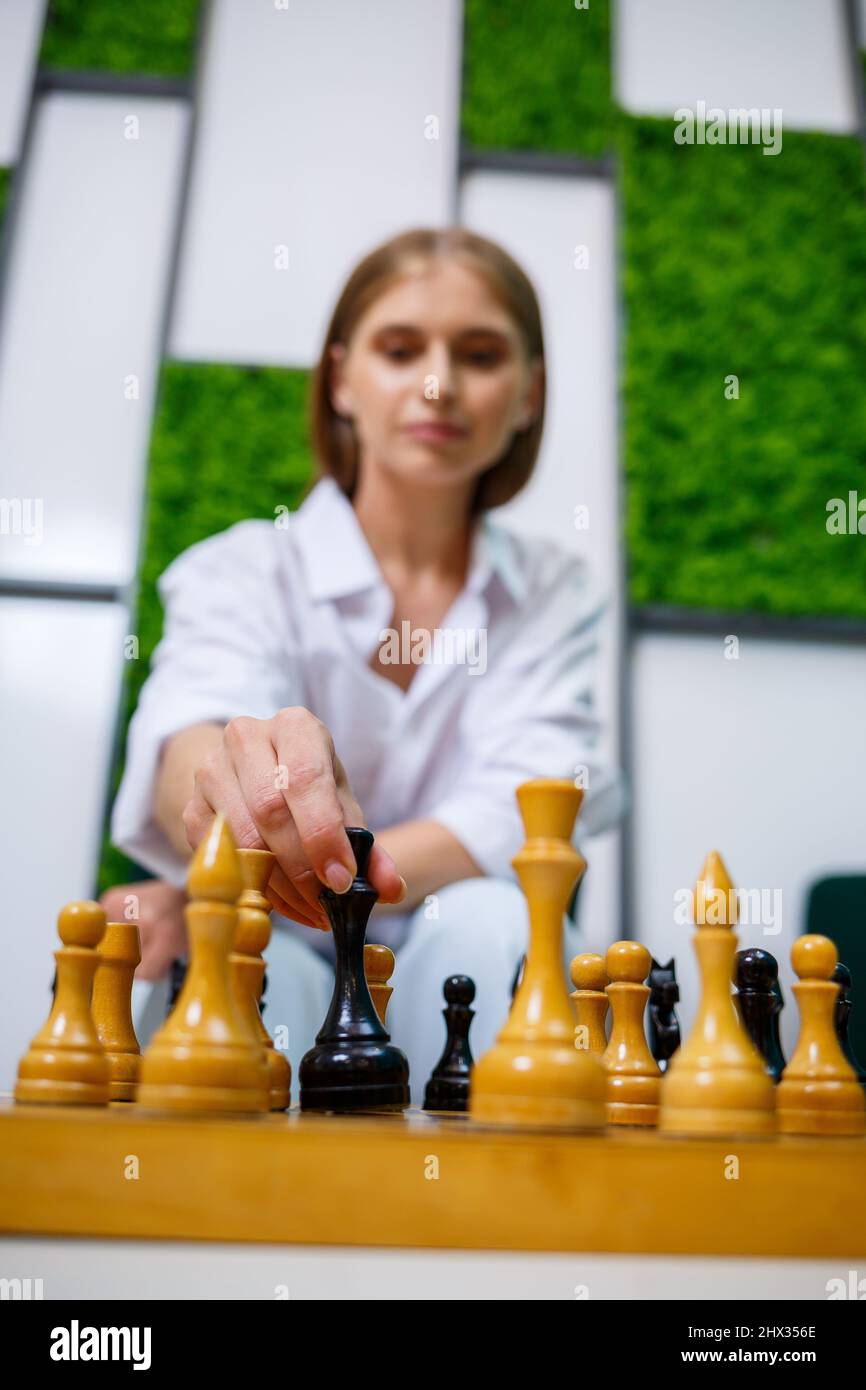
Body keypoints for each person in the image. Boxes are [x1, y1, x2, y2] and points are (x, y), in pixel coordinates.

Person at [106, 226, 624, 1099]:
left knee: (488, 920)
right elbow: (187, 734)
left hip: (447, 935)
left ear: (529, 394)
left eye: (481, 353)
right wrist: (220, 818)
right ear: (341, 379)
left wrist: (315, 883)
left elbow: (531, 798)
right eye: (399, 349)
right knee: (263, 967)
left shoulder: (555, 591)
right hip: (271, 931)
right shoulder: (240, 569)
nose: (438, 384)